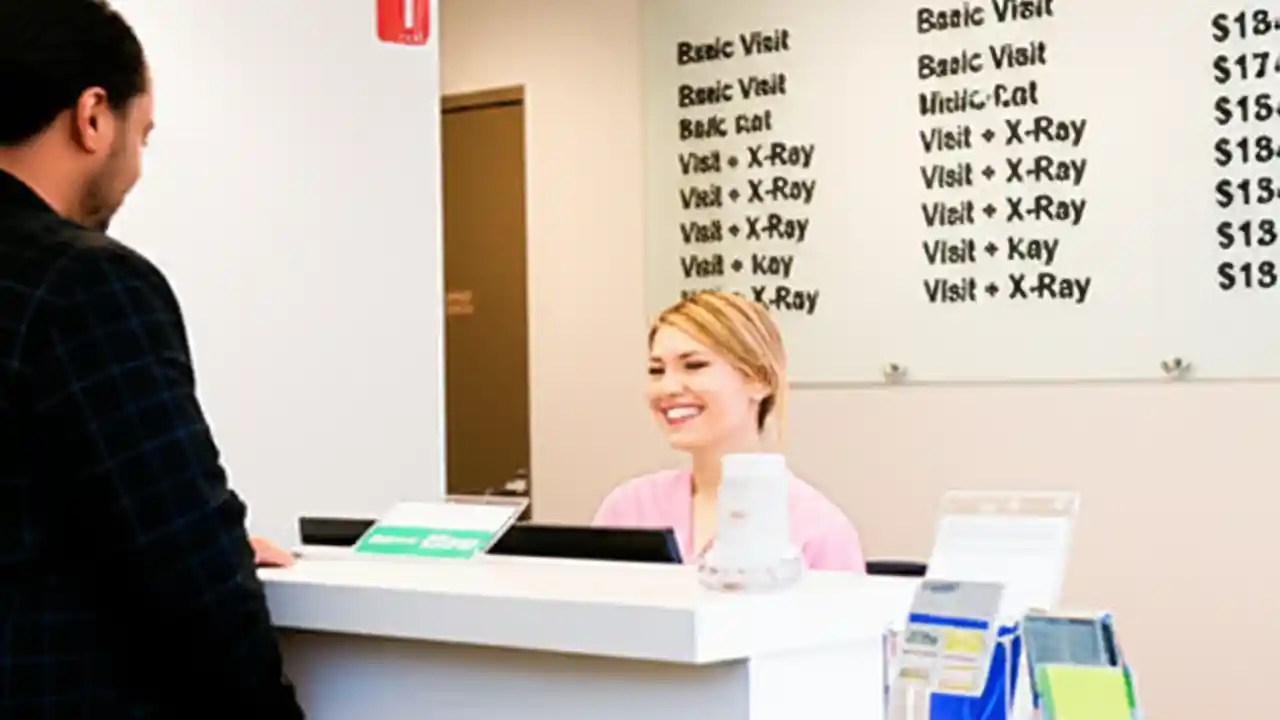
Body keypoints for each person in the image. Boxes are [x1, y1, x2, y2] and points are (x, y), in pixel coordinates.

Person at [0, 1, 303, 716]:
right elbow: (189, 572)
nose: (136, 167)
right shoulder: (86, 282)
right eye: (143, 135)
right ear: (94, 116)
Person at [593, 291, 866, 571]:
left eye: (694, 365)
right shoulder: (628, 508)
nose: (668, 387)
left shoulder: (818, 530)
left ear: (759, 380)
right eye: (656, 370)